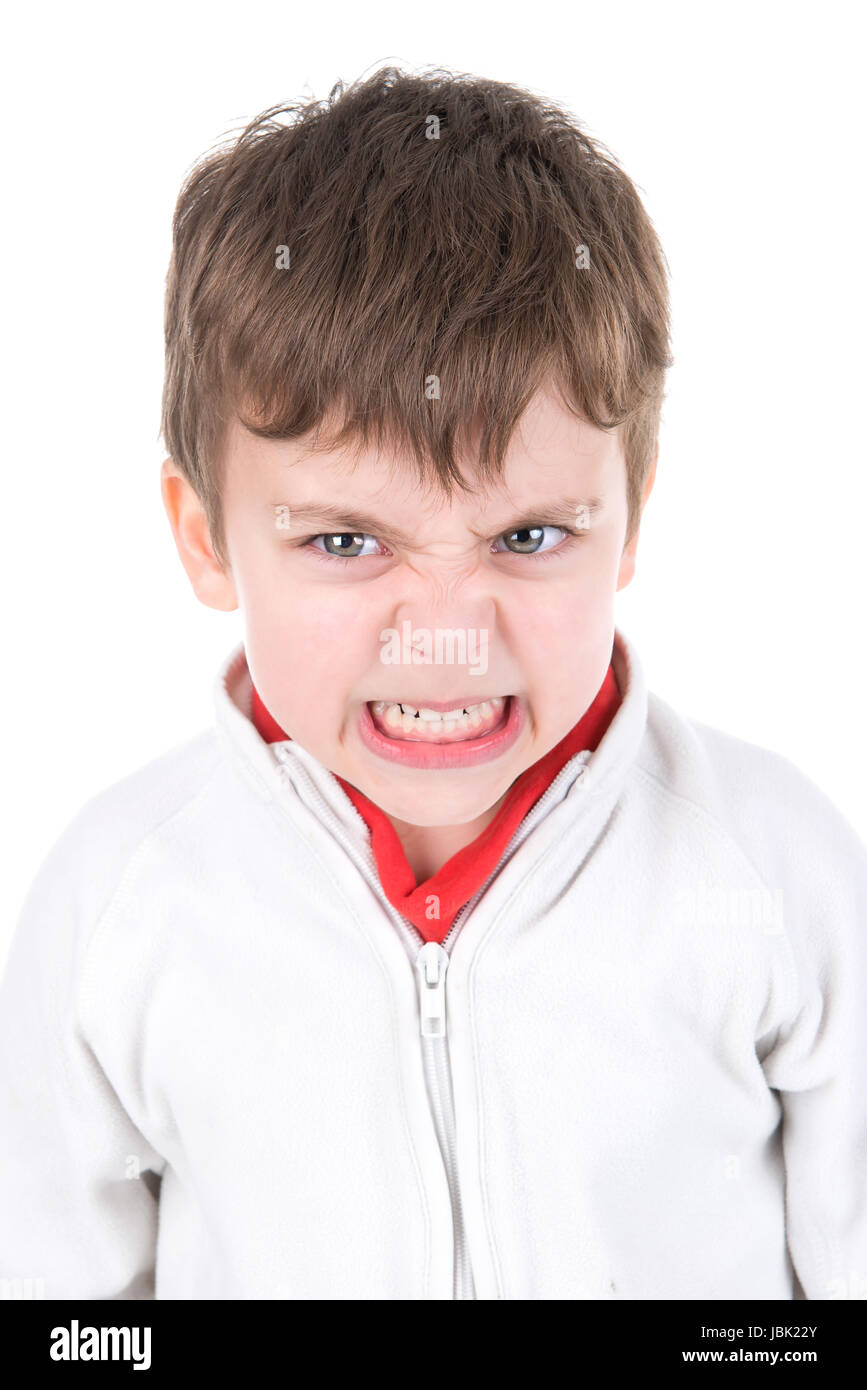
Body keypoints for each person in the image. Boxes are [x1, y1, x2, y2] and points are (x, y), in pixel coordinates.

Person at [2, 66, 865, 1301]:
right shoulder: (118, 904)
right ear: (204, 539)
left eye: (527, 538)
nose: (447, 633)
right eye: (347, 542)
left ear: (627, 528)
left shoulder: (776, 873)